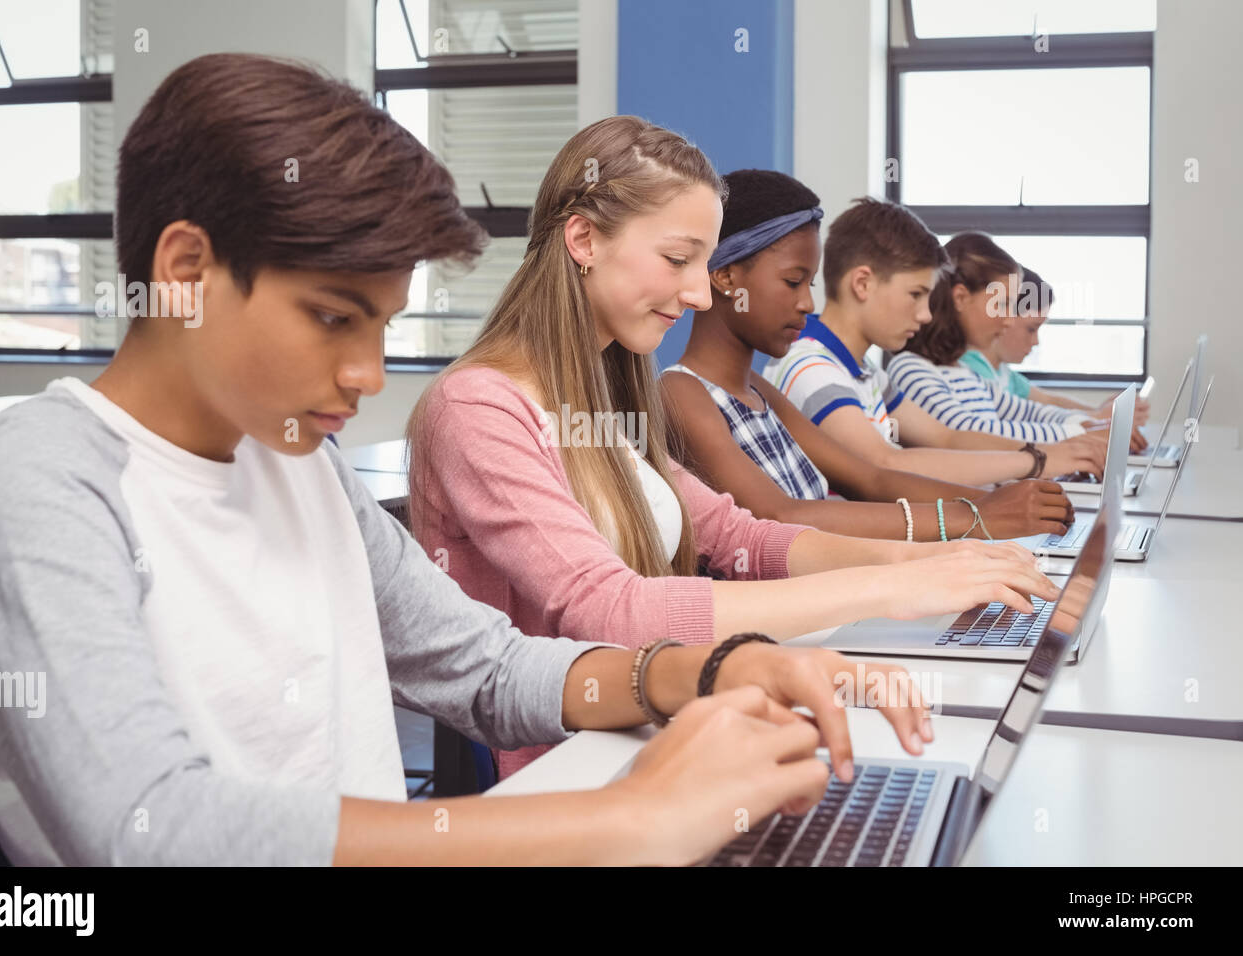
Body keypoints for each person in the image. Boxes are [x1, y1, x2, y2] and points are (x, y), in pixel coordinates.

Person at [0, 54, 938, 867]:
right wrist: (622, 818)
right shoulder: (39, 477)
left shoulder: (296, 457)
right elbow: (149, 827)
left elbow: (485, 664)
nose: (371, 374)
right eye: (335, 317)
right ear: (187, 270)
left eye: (381, 325)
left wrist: (706, 669)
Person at [406, 116, 1059, 778]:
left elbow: (743, 536)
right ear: (584, 239)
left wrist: (935, 562)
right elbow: (612, 609)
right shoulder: (477, 409)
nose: (697, 293)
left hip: (654, 733)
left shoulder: (603, 400)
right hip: (565, 773)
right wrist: (892, 586)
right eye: (677, 259)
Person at [663, 170, 1085, 538]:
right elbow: (780, 516)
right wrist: (974, 516)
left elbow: (872, 479)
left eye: (809, 284)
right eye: (793, 282)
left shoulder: (757, 389)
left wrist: (1001, 504)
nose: (808, 304)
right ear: (724, 277)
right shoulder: (682, 392)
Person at [886, 231, 1112, 449]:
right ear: (961, 298)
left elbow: (1029, 412)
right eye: (1001, 305)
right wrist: (1080, 434)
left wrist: (1091, 424)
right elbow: (972, 433)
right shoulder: (911, 369)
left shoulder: (965, 373)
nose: (1008, 320)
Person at [962, 266, 1150, 444]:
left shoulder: (1002, 372)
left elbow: (1047, 401)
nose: (1036, 341)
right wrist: (1095, 421)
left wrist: (1097, 413)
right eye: (1031, 329)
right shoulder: (971, 370)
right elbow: (1001, 433)